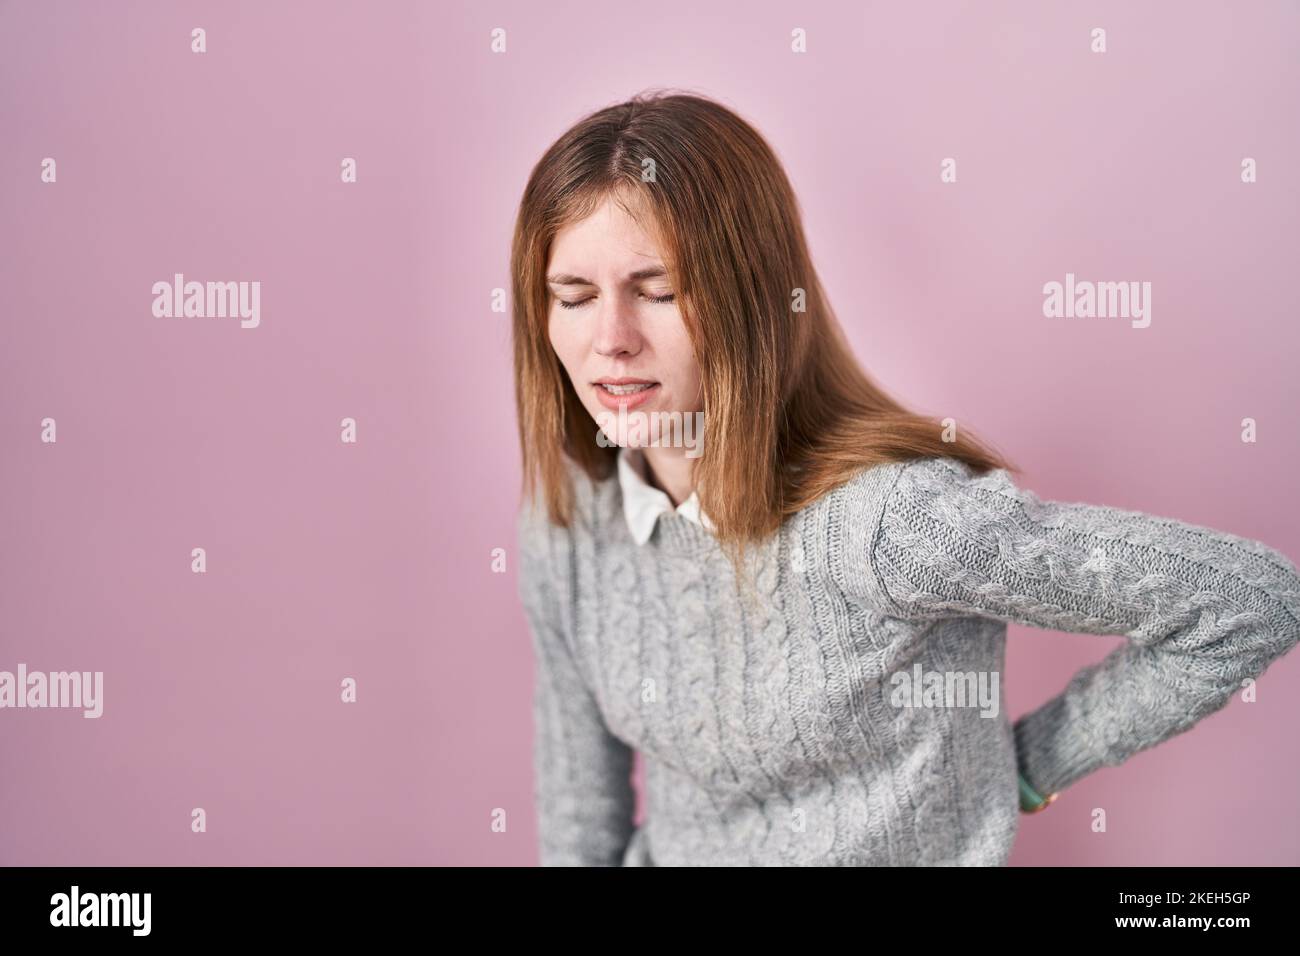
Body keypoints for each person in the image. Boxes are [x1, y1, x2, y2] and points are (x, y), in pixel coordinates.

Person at [509, 90, 1300, 866]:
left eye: (658, 293)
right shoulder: (569, 521)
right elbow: (580, 808)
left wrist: (1021, 771)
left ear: (749, 299)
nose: (610, 339)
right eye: (572, 297)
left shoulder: (893, 526)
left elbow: (1249, 597)